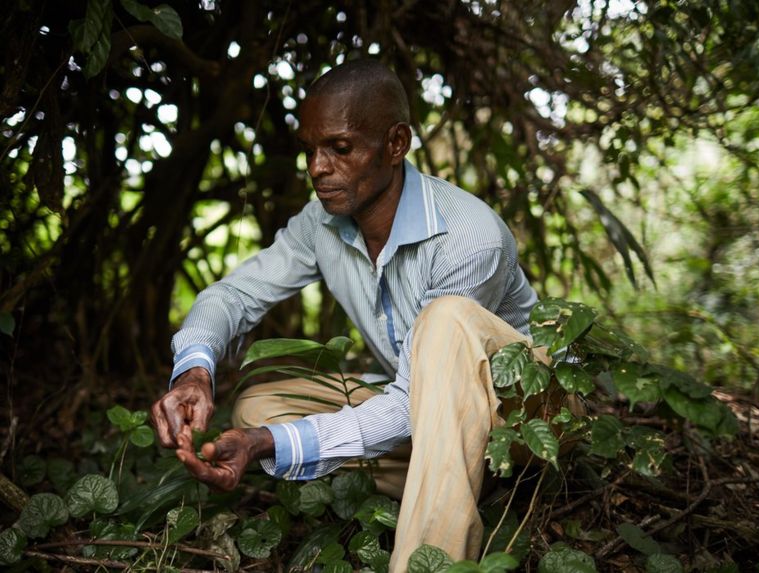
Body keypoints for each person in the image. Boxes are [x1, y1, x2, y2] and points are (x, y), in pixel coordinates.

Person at [151, 59, 551, 570]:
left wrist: (269, 445)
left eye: (340, 148)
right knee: (257, 408)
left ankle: (433, 554)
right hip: (424, 414)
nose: (318, 168)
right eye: (310, 150)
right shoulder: (320, 224)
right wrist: (194, 373)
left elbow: (410, 402)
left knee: (445, 320)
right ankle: (463, 480)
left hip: (527, 420)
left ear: (396, 144)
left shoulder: (468, 236)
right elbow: (235, 294)